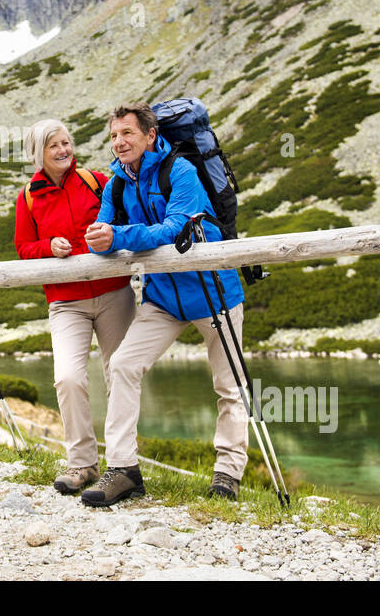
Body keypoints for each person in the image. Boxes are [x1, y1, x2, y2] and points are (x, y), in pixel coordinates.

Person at [81, 102, 247, 507]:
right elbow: (106, 229)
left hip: (214, 293)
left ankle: (227, 472)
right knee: (123, 365)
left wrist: (119, 237)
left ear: (150, 135)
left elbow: (175, 228)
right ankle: (123, 469)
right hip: (163, 299)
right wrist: (98, 238)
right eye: (114, 135)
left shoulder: (182, 171)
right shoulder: (116, 184)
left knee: (229, 386)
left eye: (128, 133)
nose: (119, 142)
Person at [14, 118, 135, 495]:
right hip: (66, 302)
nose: (64, 150)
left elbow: (128, 224)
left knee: (121, 375)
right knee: (67, 377)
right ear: (38, 153)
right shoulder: (28, 197)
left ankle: (122, 464)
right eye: (54, 145)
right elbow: (23, 248)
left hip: (115, 293)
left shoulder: (96, 181)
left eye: (66, 142)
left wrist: (110, 237)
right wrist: (48, 246)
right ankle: (82, 464)